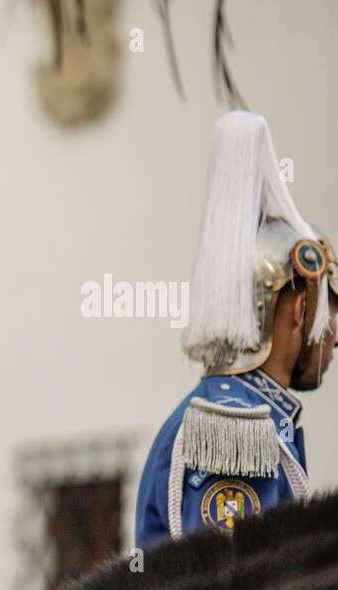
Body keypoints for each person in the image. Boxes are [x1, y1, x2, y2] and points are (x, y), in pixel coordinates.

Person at [135, 111, 338, 548]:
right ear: (302, 310)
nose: (335, 334)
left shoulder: (250, 413)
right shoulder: (235, 429)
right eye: (332, 313)